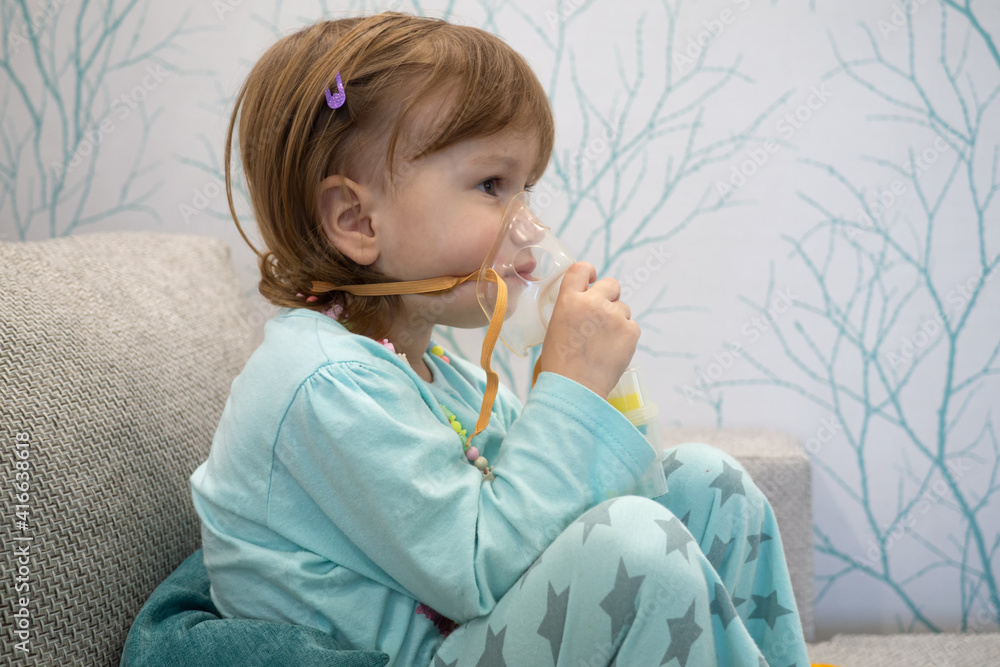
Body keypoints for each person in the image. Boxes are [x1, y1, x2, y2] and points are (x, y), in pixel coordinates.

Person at [190, 11, 811, 667]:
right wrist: (568, 390)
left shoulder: (439, 373)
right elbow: (480, 568)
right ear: (355, 219)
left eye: (526, 188)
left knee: (711, 482)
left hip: (472, 637)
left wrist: (590, 403)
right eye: (492, 185)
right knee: (635, 543)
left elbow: (555, 520)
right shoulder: (320, 383)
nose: (529, 224)